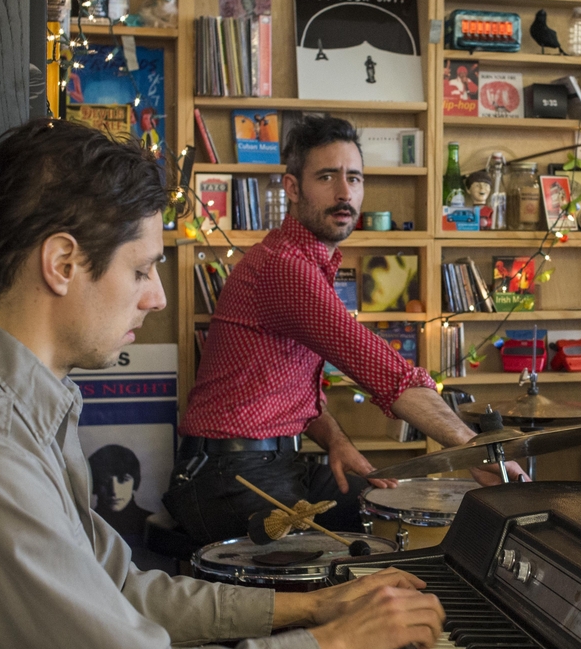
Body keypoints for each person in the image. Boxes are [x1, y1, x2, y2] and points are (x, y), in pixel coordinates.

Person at [0, 119, 445, 649]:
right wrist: (336, 645)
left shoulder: (19, 411)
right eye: (140, 269)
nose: (157, 295)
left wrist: (315, 604)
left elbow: (122, 590)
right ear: (61, 264)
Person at [166, 115, 524, 547]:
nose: (344, 193)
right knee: (353, 563)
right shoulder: (285, 268)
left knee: (396, 519)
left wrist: (337, 440)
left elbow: (288, 392)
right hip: (227, 476)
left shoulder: (305, 264)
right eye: (326, 176)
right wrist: (476, 451)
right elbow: (385, 372)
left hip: (279, 462)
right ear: (293, 188)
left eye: (354, 177)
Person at [89, 443, 155, 541]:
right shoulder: (83, 524)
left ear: (135, 482)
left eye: (123, 480)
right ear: (94, 484)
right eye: (105, 481)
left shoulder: (152, 524)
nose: (114, 491)